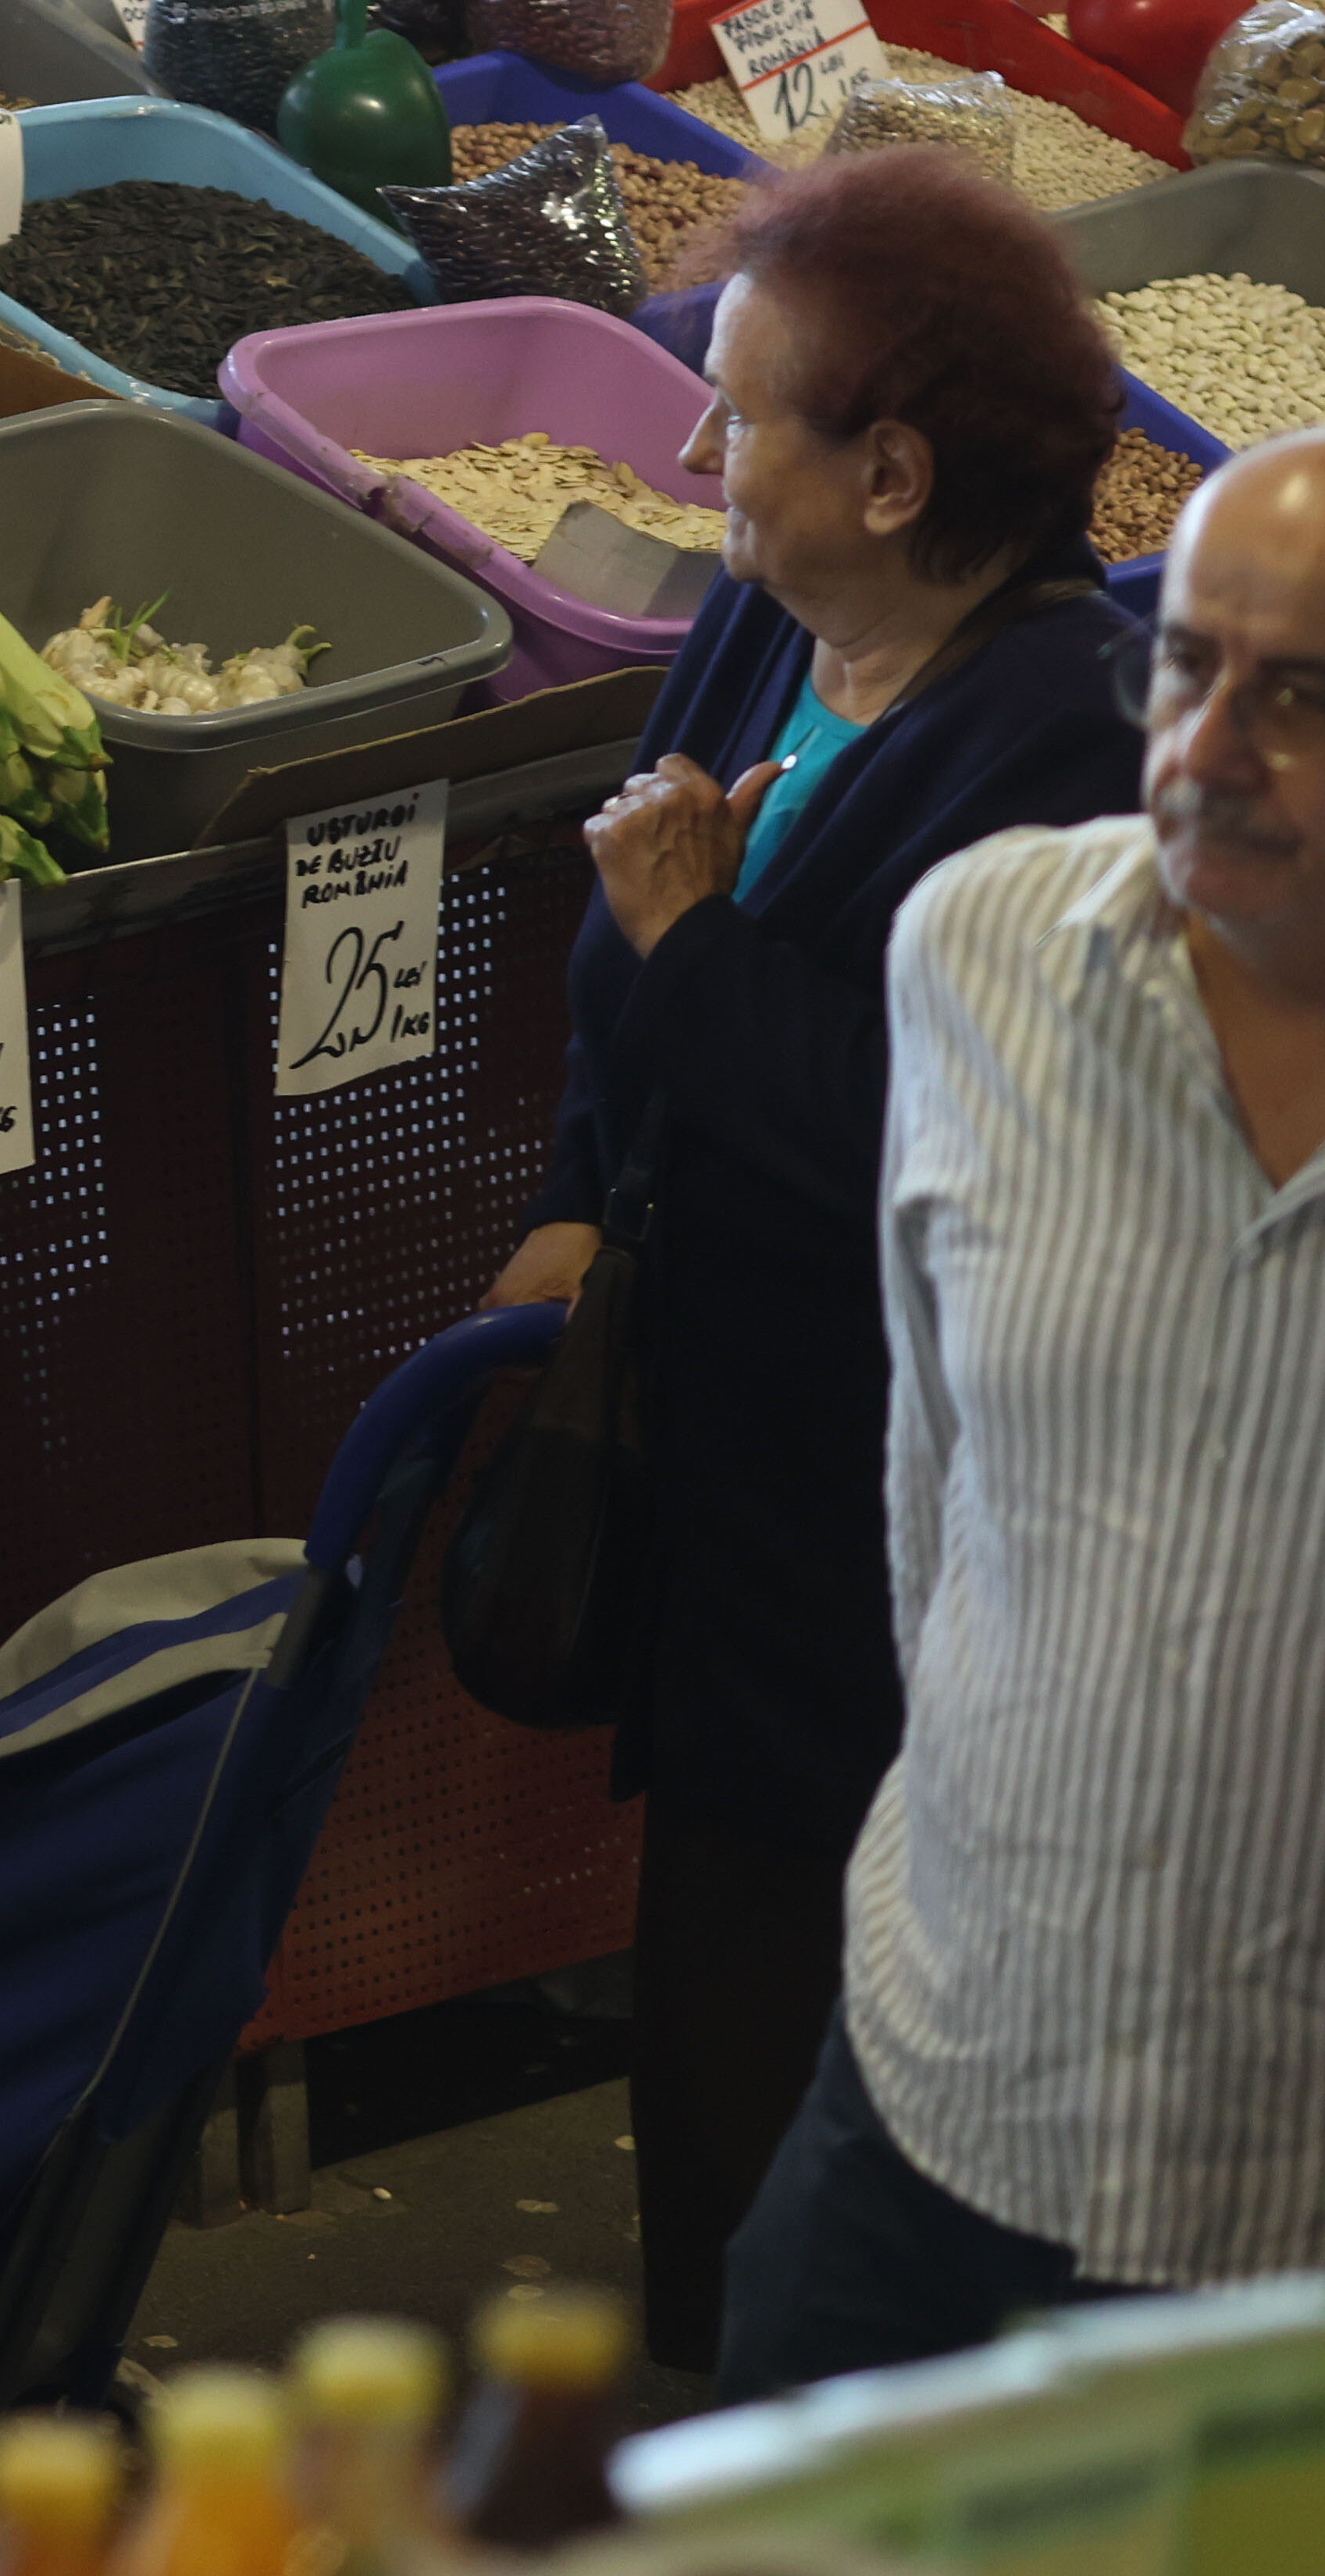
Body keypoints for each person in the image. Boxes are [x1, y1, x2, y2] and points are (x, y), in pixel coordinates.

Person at [479, 150, 1146, 2379]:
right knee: (709, 1975)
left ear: (897, 467)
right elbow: (641, 913)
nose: (697, 459)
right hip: (720, 1454)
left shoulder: (1061, 744)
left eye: (743, 418)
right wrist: (581, 1180)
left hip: (878, 1529)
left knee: (800, 1997)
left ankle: (783, 2453)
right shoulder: (778, 609)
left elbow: (917, 1122)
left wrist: (682, 946)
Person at [721, 432, 1325, 2395]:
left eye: (1300, 697)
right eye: (1186, 665)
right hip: (942, 2085)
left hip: (1279, 2211)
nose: (1206, 749)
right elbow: (936, 1492)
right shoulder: (975, 953)